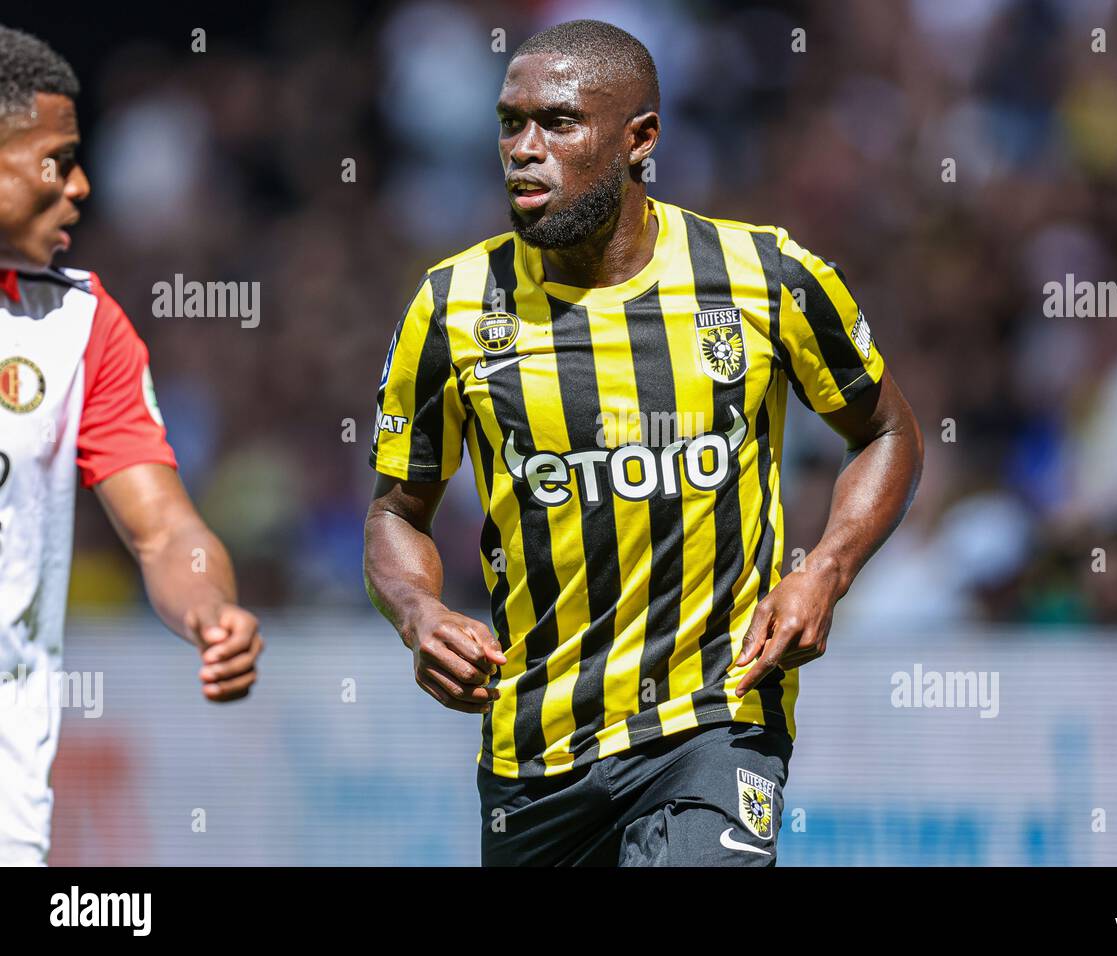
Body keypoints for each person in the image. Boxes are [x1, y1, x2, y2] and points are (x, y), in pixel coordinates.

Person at [363, 19, 922, 866]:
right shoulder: (452, 307)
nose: (524, 148)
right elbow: (396, 512)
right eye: (510, 123)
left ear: (639, 139)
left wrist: (828, 570)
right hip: (536, 756)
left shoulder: (762, 278)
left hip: (717, 721)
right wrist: (419, 613)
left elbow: (886, 430)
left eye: (557, 122)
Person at [0, 25, 263, 866]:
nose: (81, 186)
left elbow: (163, 531)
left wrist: (211, 609)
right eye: (56, 160)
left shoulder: (82, 327)